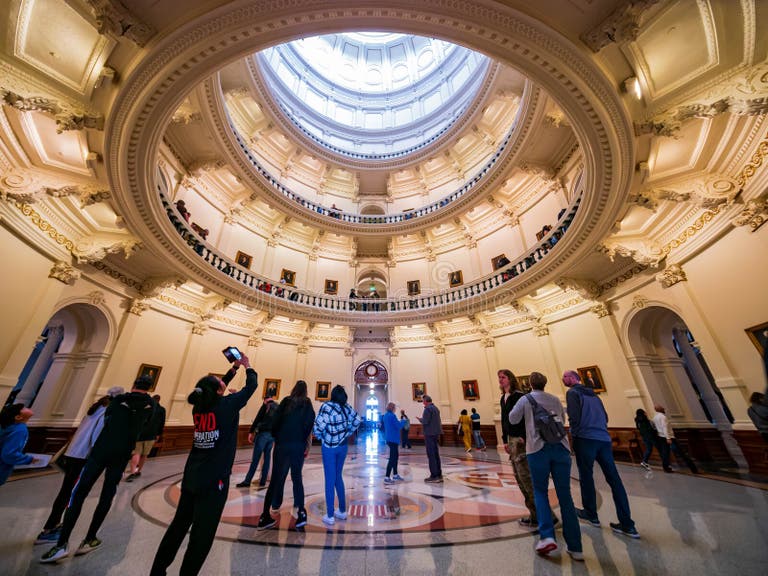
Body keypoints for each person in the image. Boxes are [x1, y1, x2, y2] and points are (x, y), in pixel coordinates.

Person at [150, 354, 257, 576]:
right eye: (220, 383)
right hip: (214, 478)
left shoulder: (199, 407)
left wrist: (233, 369)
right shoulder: (227, 406)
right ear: (219, 391)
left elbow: (215, 389)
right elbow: (252, 386)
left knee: (178, 526)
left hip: (192, 475)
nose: (222, 383)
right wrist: (247, 366)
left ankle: (157, 570)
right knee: (202, 535)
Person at [41, 377, 156, 563]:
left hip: (101, 450)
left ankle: (61, 544)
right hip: (122, 453)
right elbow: (145, 425)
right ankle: (90, 538)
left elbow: (108, 419)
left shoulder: (118, 400)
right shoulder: (151, 405)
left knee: (78, 494)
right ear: (150, 388)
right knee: (107, 495)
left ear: (134, 384)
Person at [36, 387, 124, 544]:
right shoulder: (107, 411)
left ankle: (52, 525)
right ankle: (50, 530)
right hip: (83, 457)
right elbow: (97, 436)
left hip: (73, 454)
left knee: (66, 491)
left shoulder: (95, 408)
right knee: (73, 494)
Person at [509, 372, 582, 560]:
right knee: (565, 496)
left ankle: (547, 536)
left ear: (530, 384)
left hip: (538, 449)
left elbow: (512, 419)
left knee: (540, 492)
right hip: (561, 449)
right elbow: (563, 420)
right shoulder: (555, 399)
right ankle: (576, 547)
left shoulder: (526, 399)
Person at [563, 370, 639, 539]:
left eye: (565, 377)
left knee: (586, 476)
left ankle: (591, 514)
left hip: (585, 439)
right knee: (614, 480)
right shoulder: (594, 395)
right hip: (603, 439)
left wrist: (574, 438)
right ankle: (628, 524)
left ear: (575, 378)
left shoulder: (573, 393)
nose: (563, 379)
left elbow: (574, 418)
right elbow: (605, 417)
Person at [257, 380, 316, 531]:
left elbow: (275, 421)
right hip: (297, 446)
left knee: (276, 479)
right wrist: (303, 440)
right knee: (297, 479)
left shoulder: (285, 401)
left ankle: (264, 515)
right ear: (306, 391)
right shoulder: (307, 404)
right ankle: (301, 514)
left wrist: (278, 437)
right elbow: (310, 423)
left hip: (282, 445)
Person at [313, 385, 361, 526]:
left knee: (329, 479)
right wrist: (347, 433)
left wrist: (323, 436)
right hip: (343, 447)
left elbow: (318, 428)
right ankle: (342, 510)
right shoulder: (346, 407)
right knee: (338, 477)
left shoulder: (326, 407)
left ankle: (330, 515)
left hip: (329, 447)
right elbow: (358, 420)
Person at [236, 395, 278, 488]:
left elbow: (257, 419)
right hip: (272, 436)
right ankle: (263, 481)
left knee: (255, 459)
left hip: (262, 434)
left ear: (264, 400)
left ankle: (247, 481)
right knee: (267, 458)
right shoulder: (278, 406)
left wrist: (251, 432)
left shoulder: (265, 406)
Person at [126, 394, 166, 481]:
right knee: (145, 454)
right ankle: (138, 470)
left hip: (140, 433)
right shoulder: (161, 410)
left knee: (136, 453)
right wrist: (159, 434)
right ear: (159, 400)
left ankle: (133, 471)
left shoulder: (145, 407)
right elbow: (162, 423)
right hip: (152, 434)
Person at [652, 404, 698, 474]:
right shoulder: (663, 417)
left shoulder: (655, 417)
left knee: (665, 453)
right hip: (668, 437)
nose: (664, 408)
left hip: (661, 437)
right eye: (662, 407)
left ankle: (666, 468)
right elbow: (665, 427)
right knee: (681, 452)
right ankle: (693, 468)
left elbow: (655, 427)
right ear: (660, 409)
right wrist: (668, 438)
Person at [0, 403, 35, 486]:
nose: (27, 407)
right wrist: (28, 459)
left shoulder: (9, 427)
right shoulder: (20, 429)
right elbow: (9, 454)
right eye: (23, 408)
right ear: (18, 417)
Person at [417, 395, 442, 483]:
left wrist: (420, 419)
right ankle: (439, 474)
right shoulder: (436, 408)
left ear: (426, 401)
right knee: (436, 454)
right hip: (436, 433)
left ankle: (434, 476)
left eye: (423, 401)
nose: (423, 403)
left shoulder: (427, 409)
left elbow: (425, 421)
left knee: (431, 455)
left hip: (429, 434)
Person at [382, 402, 407, 484]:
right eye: (395, 408)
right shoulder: (392, 416)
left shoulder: (385, 415)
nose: (395, 409)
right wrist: (403, 421)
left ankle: (395, 474)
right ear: (392, 408)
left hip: (389, 438)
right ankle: (387, 477)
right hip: (393, 439)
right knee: (393, 458)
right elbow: (398, 426)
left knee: (395, 457)